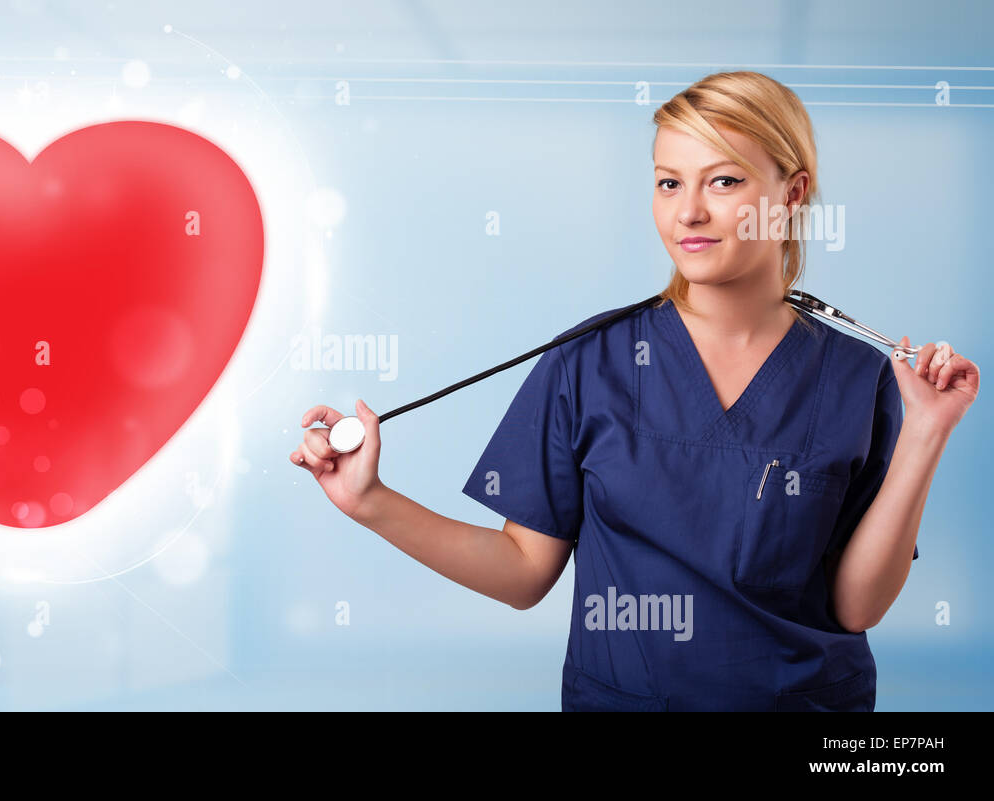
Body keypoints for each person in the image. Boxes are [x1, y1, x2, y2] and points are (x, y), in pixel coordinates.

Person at [289, 71, 979, 711]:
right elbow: (524, 571)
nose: (690, 213)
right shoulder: (588, 365)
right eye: (669, 183)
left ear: (792, 195)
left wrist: (927, 430)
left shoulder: (861, 379)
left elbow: (857, 606)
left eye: (725, 181)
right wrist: (371, 502)